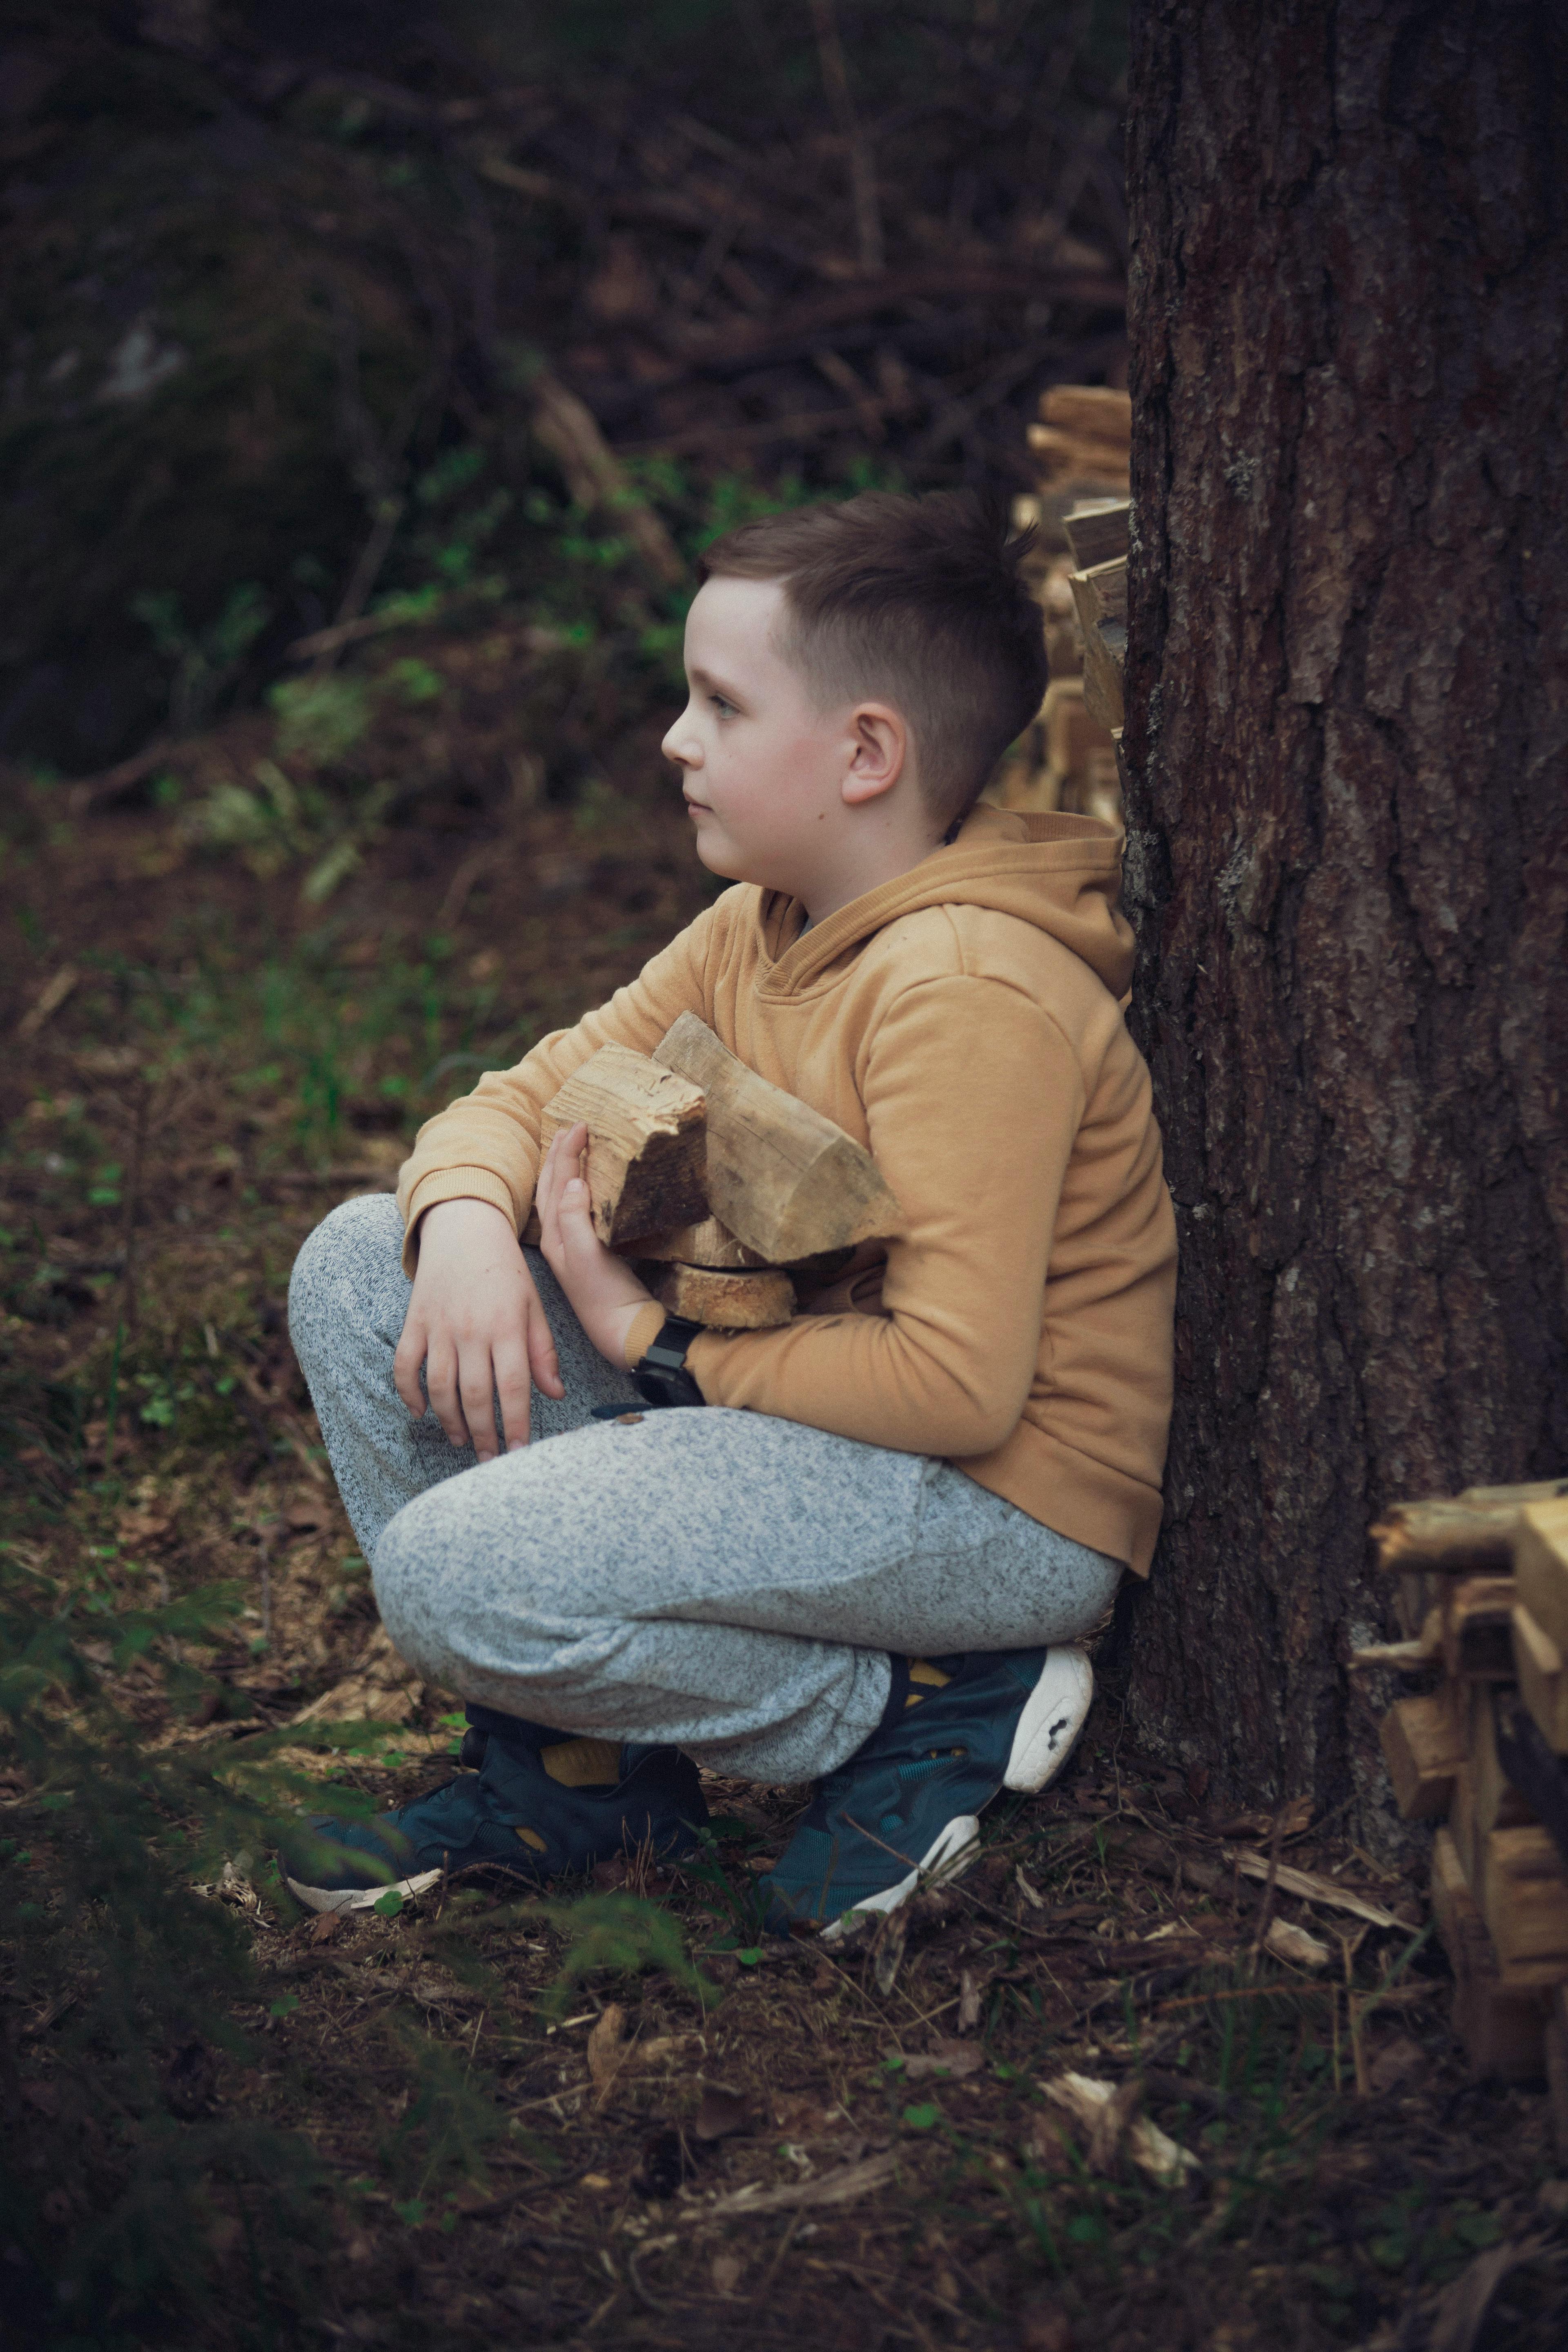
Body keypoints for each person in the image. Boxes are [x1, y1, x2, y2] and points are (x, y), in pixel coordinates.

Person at [284, 489, 1176, 1932]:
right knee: (355, 1264)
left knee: (448, 1583)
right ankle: (575, 1777)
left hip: (995, 1503)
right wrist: (458, 1224)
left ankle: (908, 1713)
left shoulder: (965, 992)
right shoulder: (767, 920)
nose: (674, 739)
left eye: (719, 704)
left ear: (867, 752)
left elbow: (958, 1384)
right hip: (811, 1429)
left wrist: (650, 1345)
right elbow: (524, 1096)